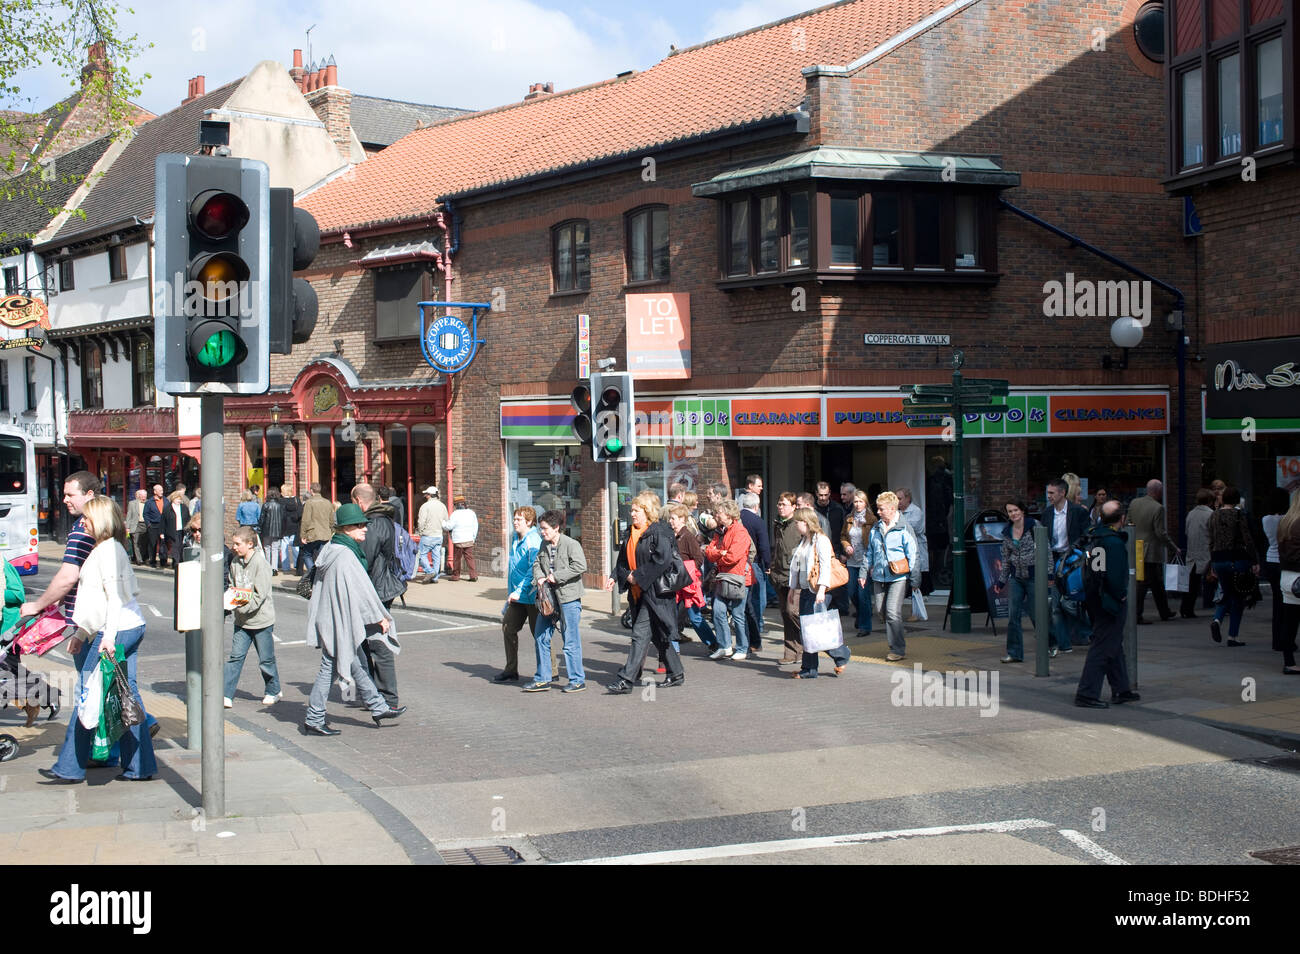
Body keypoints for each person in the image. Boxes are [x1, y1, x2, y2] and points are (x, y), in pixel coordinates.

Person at [40, 495, 156, 784]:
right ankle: (139, 766)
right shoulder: (105, 548)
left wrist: (108, 638)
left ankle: (70, 766)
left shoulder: (108, 551)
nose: (83, 522)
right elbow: (98, 603)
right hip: (122, 627)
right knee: (126, 696)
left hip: (116, 630)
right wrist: (81, 633)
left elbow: (114, 599)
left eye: (87, 518)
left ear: (101, 520)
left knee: (87, 694)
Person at [302, 503, 405, 736]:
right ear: (347, 528)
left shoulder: (333, 548)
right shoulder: (346, 556)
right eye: (360, 525)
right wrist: (379, 616)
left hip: (333, 617)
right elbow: (360, 591)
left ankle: (378, 706)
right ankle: (314, 718)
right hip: (337, 621)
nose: (365, 529)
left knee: (356, 660)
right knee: (329, 668)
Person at [605, 492, 683, 693]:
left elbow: (662, 560)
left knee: (639, 634)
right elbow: (623, 559)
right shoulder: (631, 532)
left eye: (636, 510)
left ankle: (626, 680)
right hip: (638, 592)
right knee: (657, 635)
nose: (632, 513)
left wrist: (637, 576)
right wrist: (615, 575)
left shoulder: (659, 531)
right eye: (632, 510)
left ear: (647, 511)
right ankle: (676, 673)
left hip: (655, 593)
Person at [1074, 500, 1139, 708]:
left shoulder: (1094, 536)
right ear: (1122, 519)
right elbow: (1116, 577)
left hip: (1093, 597)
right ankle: (1087, 693)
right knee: (1103, 646)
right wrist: (1120, 596)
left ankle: (1121, 689)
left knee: (1112, 642)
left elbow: (1094, 570)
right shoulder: (1114, 542)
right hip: (1109, 601)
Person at [352, 483, 407, 709]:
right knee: (365, 640)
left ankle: (387, 697)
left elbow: (365, 560)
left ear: (359, 502)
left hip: (376, 589)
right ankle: (374, 693)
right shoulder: (384, 520)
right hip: (382, 586)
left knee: (376, 642)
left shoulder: (373, 525)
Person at [786, 505, 852, 679]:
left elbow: (825, 566)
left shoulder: (821, 540)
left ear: (806, 522)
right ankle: (809, 668)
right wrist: (792, 589)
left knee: (815, 630)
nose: (795, 525)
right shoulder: (804, 540)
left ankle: (841, 654)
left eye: (797, 522)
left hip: (817, 590)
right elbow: (796, 567)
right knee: (808, 630)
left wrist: (822, 590)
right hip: (806, 589)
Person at [527, 509, 587, 693]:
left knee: (570, 641)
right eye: (540, 529)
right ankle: (543, 678)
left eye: (544, 529)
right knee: (541, 636)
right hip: (548, 599)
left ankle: (577, 680)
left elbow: (580, 566)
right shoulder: (544, 545)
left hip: (568, 599)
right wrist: (538, 578)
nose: (542, 532)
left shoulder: (571, 544)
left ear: (556, 527)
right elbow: (537, 564)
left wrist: (556, 577)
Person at [222, 526, 282, 708]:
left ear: (250, 544)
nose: (234, 547)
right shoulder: (234, 563)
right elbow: (233, 587)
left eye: (237, 544)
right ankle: (226, 694)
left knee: (266, 659)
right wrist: (231, 602)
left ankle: (273, 690)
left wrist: (240, 608)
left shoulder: (260, 564)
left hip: (261, 621)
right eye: (233, 543)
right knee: (235, 657)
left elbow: (260, 594)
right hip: (242, 622)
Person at [867, 490, 919, 663]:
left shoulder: (904, 527)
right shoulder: (876, 527)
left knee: (892, 612)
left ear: (891, 508)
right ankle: (896, 645)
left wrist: (914, 578)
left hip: (898, 576)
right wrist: (863, 572)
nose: (878, 512)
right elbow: (870, 553)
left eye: (881, 509)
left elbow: (913, 554)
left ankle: (897, 649)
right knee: (881, 611)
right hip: (879, 576)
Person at [703, 497, 753, 661]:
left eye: (720, 513)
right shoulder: (720, 531)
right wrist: (719, 554)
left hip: (738, 578)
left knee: (738, 615)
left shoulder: (740, 532)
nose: (717, 516)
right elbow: (709, 553)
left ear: (730, 515)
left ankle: (742, 647)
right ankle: (725, 646)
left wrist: (718, 556)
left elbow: (733, 557)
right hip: (723, 577)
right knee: (718, 612)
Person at [1044, 477, 1090, 655]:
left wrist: (1077, 552)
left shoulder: (1078, 511)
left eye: (1051, 493)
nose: (1049, 496)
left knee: (1070, 603)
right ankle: (1063, 644)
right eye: (1048, 493)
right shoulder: (1047, 513)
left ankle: (1090, 631)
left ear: (1062, 493)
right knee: (1054, 605)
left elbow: (1086, 535)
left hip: (1072, 561)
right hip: (1054, 559)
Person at [1208, 486, 1259, 647]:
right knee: (1238, 597)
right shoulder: (1239, 515)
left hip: (1218, 559)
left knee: (1225, 592)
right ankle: (1233, 636)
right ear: (1237, 500)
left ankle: (1217, 619)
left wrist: (1212, 562)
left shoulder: (1214, 516)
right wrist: (1255, 560)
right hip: (1236, 559)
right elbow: (1247, 539)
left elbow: (1211, 540)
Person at [1127, 479, 1181, 624]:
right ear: (1158, 491)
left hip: (1136, 548)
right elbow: (1160, 532)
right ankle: (1137, 614)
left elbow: (1128, 524)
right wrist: (1173, 547)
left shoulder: (1134, 503)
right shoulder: (1158, 508)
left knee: (1156, 582)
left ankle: (1164, 611)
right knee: (1144, 583)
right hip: (1151, 551)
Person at [498, 506, 541, 683]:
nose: (515, 522)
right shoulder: (516, 539)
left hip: (531, 596)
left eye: (519, 520)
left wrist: (517, 591)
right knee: (508, 628)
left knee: (539, 634)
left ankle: (550, 670)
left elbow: (532, 571)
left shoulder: (533, 542)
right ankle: (511, 670)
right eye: (514, 519)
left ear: (529, 522)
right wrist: (511, 594)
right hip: (517, 596)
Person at [666, 502, 716, 649]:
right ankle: (673, 650)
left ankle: (712, 643)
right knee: (672, 617)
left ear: (682, 519)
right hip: (674, 583)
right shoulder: (669, 536)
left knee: (695, 617)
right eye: (670, 518)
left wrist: (684, 569)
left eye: (673, 518)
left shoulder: (688, 537)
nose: (670, 521)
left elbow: (699, 559)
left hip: (688, 584)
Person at [993, 498, 1037, 664]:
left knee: (1037, 614)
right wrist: (1001, 581)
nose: (1013, 514)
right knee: (1013, 615)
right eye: (1010, 511)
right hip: (1016, 577)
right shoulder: (1006, 532)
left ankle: (1050, 643)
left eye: (1016, 510)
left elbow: (1045, 551)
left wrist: (1049, 576)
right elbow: (1005, 559)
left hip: (1033, 575)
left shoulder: (1034, 526)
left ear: (1022, 510)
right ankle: (1014, 653)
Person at [769, 492, 803, 665]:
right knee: (785, 613)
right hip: (779, 575)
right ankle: (791, 652)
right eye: (779, 504)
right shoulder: (778, 524)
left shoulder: (797, 525)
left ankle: (804, 645)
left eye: (784, 504)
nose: (780, 507)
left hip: (795, 575)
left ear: (793, 507)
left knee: (793, 612)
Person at [841, 490, 877, 638]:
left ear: (866, 503)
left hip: (865, 561)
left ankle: (865, 626)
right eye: (855, 501)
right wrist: (846, 545)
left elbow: (875, 542)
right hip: (852, 560)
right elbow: (843, 535)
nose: (857, 504)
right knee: (851, 592)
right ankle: (861, 614)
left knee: (863, 595)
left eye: (860, 501)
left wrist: (873, 562)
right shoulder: (849, 518)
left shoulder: (872, 519)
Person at [738, 491, 769, 653]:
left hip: (737, 565)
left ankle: (749, 639)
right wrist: (768, 564)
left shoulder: (737, 519)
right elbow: (763, 546)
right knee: (756, 600)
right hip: (753, 564)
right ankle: (757, 632)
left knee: (744, 604)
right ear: (756, 506)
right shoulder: (758, 521)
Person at [1262, 487, 1290, 658]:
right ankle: (1284, 638)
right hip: (1282, 560)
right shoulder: (1287, 520)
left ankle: (1276, 639)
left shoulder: (1265, 519)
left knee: (1276, 603)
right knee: (1286, 603)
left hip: (1270, 559)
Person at [1275, 489, 1300, 674]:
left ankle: (1289, 662)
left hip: (1287, 577)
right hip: (1298, 576)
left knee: (1289, 622)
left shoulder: (1285, 522)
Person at [1182, 488, 1215, 619]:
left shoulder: (1190, 514)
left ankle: (1186, 608)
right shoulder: (1211, 514)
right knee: (1212, 579)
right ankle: (1215, 604)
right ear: (1210, 500)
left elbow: (1186, 531)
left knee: (1191, 583)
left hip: (1192, 551)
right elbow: (1214, 533)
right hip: (1206, 551)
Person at [897, 487, 930, 595]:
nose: (898, 501)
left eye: (900, 498)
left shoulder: (916, 511)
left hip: (916, 546)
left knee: (917, 569)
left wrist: (897, 526)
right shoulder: (896, 512)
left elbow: (913, 528)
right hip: (901, 549)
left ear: (908, 498)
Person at [298, 483, 334, 575]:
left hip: (312, 533)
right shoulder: (327, 502)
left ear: (311, 490)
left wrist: (303, 535)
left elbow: (305, 520)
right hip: (325, 533)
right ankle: (321, 575)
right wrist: (332, 531)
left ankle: (313, 575)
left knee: (306, 554)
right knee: (322, 556)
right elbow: (331, 519)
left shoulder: (309, 503)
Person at [415, 486, 448, 584]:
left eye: (426, 494)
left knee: (420, 555)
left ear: (429, 495)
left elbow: (421, 522)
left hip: (428, 535)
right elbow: (446, 520)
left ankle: (430, 572)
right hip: (438, 535)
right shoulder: (442, 506)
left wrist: (420, 532)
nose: (425, 496)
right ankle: (435, 577)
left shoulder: (425, 506)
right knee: (436, 556)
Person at [444, 495, 479, 581]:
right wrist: (473, 537)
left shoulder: (455, 514)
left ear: (457, 505)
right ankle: (473, 575)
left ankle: (456, 576)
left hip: (458, 540)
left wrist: (443, 523)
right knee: (469, 558)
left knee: (457, 559)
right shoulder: (471, 513)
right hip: (469, 539)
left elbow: (449, 526)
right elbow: (476, 526)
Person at [259, 487, 285, 574]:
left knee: (267, 548)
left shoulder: (265, 505)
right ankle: (274, 569)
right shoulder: (281, 505)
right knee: (275, 549)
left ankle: (267, 567)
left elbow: (262, 519)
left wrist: (260, 529)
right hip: (277, 530)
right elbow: (283, 518)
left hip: (266, 530)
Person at [279, 484, 301, 574]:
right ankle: (297, 564)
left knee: (284, 547)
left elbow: (280, 515)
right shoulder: (296, 500)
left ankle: (285, 566)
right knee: (296, 547)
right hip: (295, 526)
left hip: (284, 526)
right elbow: (300, 513)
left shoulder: (281, 501)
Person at [143, 483, 166, 568]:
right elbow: (145, 514)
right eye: (160, 490)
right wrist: (148, 524)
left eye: (162, 490)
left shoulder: (165, 500)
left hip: (163, 525)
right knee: (153, 544)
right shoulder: (149, 502)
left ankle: (163, 561)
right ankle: (152, 561)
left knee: (163, 543)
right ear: (155, 491)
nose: (162, 492)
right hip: (153, 526)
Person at [125, 489, 147, 565]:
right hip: (136, 525)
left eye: (145, 496)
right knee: (136, 542)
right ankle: (139, 560)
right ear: (139, 496)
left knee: (144, 543)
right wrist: (127, 527)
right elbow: (129, 516)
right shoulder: (132, 503)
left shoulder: (148, 503)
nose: (144, 497)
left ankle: (144, 557)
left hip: (145, 525)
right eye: (142, 496)